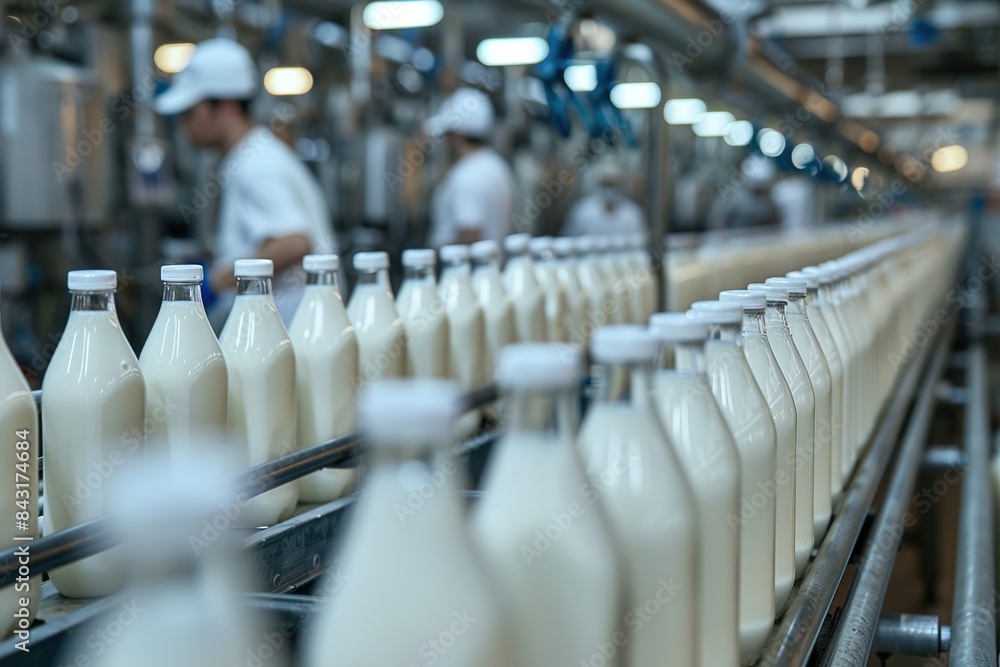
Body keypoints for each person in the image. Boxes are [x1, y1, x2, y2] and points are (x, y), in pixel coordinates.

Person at [153, 38, 336, 327]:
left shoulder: (256, 166)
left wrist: (214, 281)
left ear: (224, 106)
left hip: (289, 333)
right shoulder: (254, 155)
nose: (183, 126)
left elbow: (295, 243)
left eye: (190, 112)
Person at [425, 88, 517, 248]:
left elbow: (470, 235)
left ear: (457, 134)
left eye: (446, 135)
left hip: (462, 272)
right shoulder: (497, 166)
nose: (445, 143)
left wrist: (433, 257)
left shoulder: (466, 175)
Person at [561, 162, 646, 237]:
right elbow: (568, 240)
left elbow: (641, 243)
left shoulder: (632, 214)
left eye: (614, 185)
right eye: (606, 184)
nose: (610, 190)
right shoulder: (582, 211)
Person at [707, 155, 780, 230]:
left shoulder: (770, 199)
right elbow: (718, 219)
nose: (760, 192)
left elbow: (776, 221)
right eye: (757, 189)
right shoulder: (735, 197)